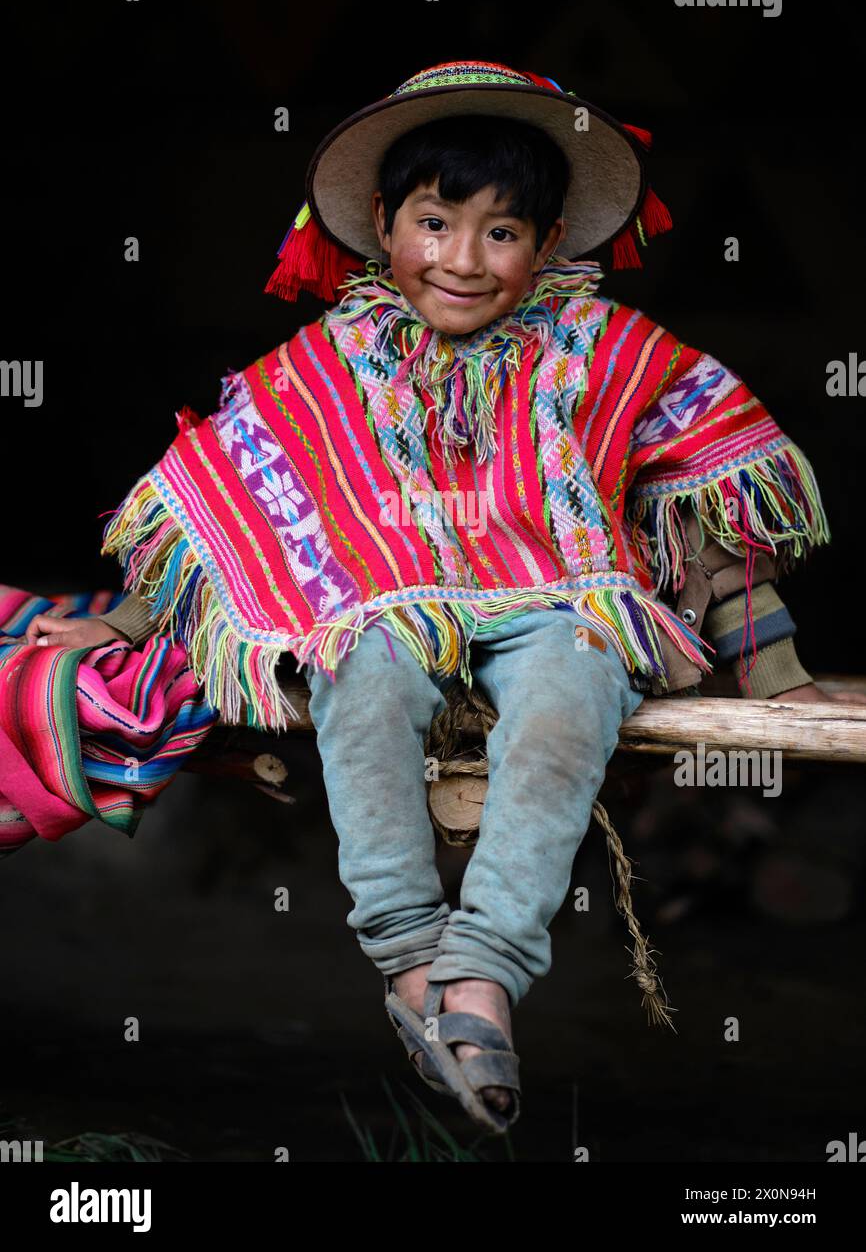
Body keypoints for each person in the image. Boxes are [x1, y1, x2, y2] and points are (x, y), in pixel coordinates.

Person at [23, 58, 865, 1135]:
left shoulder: (605, 351)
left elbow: (719, 500)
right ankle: (409, 952)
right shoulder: (333, 358)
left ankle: (484, 975)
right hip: (382, 607)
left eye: (501, 232)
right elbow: (222, 504)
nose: (461, 260)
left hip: (562, 598)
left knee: (572, 695)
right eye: (433, 222)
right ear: (381, 222)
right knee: (357, 677)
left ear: (550, 242)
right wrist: (125, 620)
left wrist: (776, 669)